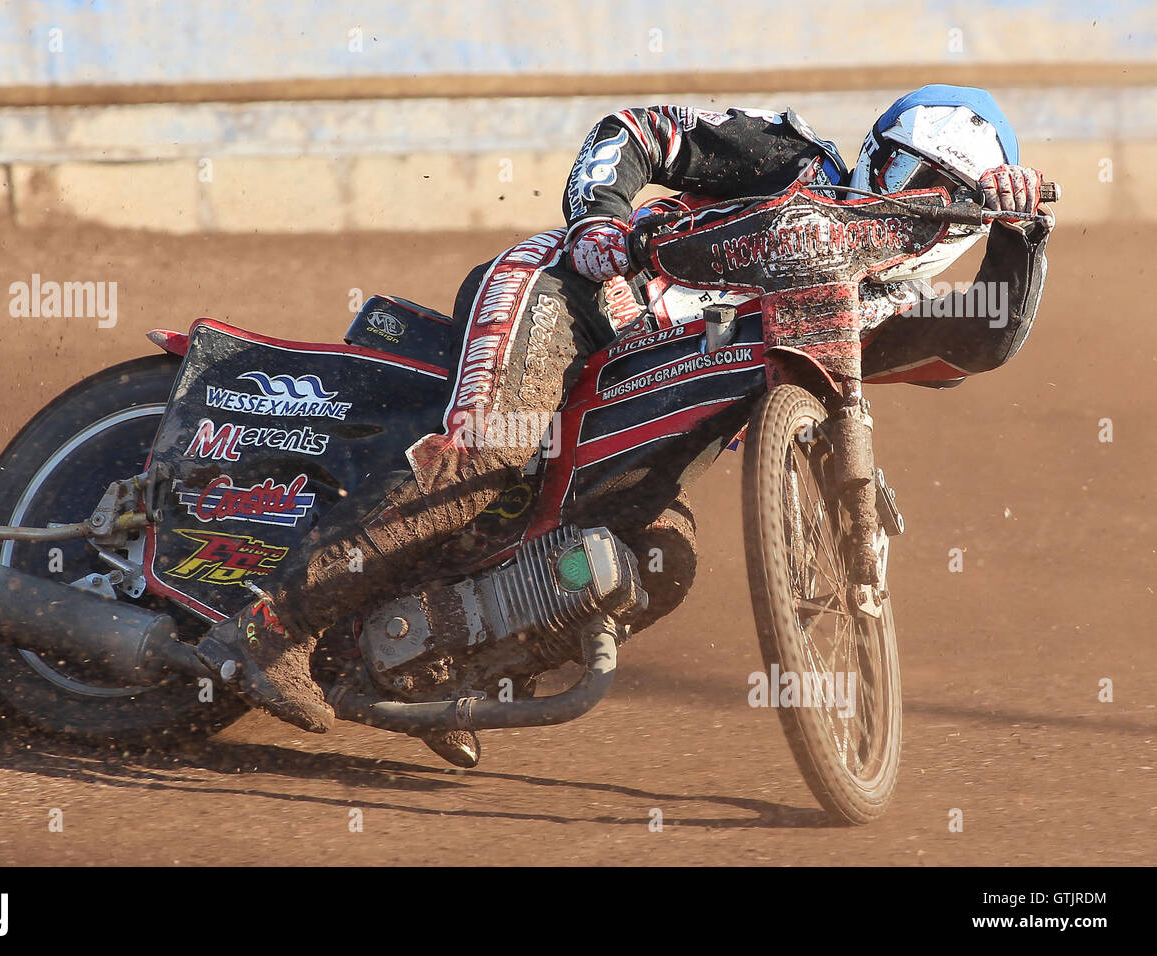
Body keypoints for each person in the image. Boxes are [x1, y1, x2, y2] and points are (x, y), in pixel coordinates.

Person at [197, 85, 1053, 766]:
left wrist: (1022, 235)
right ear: (881, 161)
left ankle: (433, 669)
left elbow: (983, 339)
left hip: (630, 416)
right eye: (919, 182)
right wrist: (599, 219)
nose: (930, 211)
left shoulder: (873, 312)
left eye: (956, 202)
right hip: (573, 296)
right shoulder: (796, 167)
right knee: (488, 463)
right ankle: (268, 631)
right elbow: (641, 130)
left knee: (661, 562)